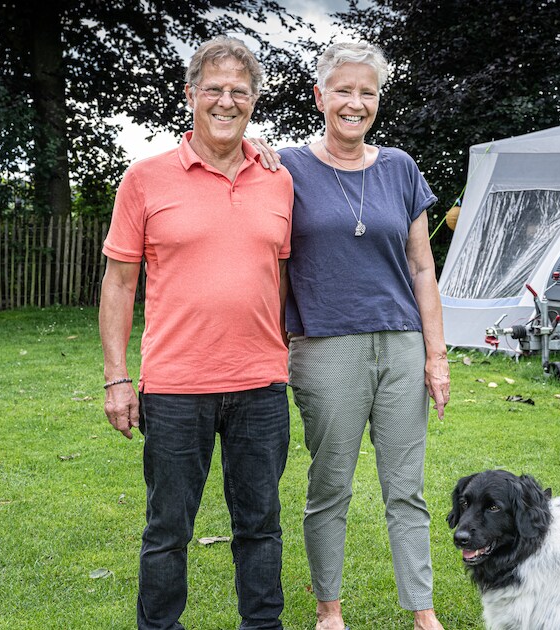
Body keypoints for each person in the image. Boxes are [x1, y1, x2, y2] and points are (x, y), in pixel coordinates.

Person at [99, 36, 294, 629]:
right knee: (167, 529)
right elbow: (118, 283)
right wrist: (117, 378)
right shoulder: (145, 179)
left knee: (260, 525)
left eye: (240, 91)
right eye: (214, 89)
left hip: (260, 385)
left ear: (253, 100)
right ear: (190, 95)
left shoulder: (278, 179)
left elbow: (280, 275)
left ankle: (262, 625)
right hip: (175, 386)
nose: (226, 101)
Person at [276, 40, 449, 630]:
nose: (355, 103)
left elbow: (422, 267)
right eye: (343, 91)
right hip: (325, 346)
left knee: (406, 488)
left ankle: (423, 611)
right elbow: (272, 262)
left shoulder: (400, 167)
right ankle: (329, 611)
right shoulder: (285, 168)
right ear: (319, 96)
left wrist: (436, 356)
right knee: (330, 485)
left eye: (367, 92)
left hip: (401, 344)